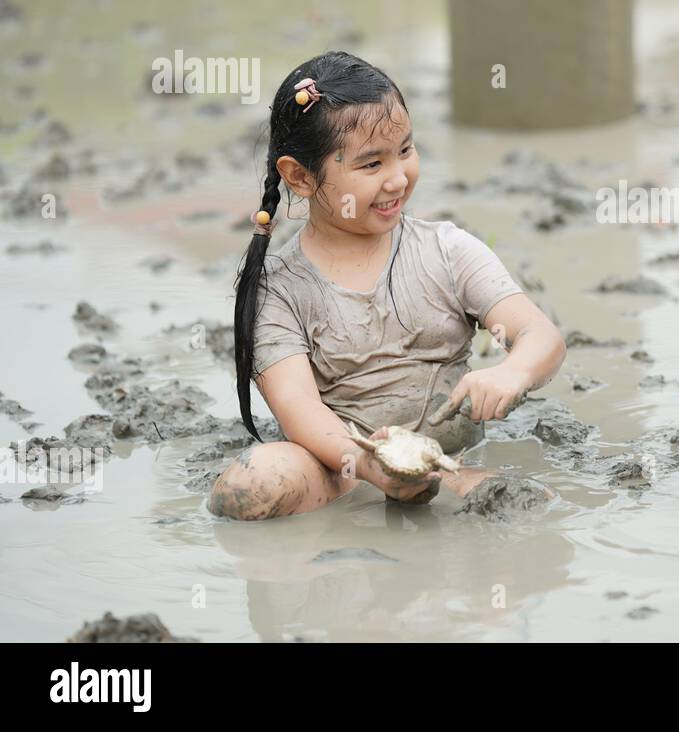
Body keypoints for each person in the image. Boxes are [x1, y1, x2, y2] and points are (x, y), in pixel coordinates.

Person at [208, 52, 566, 520]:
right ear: (299, 176)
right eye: (371, 164)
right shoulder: (279, 288)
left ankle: (443, 489)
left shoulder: (445, 250)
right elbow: (299, 410)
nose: (398, 178)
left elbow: (542, 337)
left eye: (406, 150)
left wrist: (512, 373)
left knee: (530, 506)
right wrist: (374, 469)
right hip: (344, 469)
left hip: (450, 462)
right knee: (246, 486)